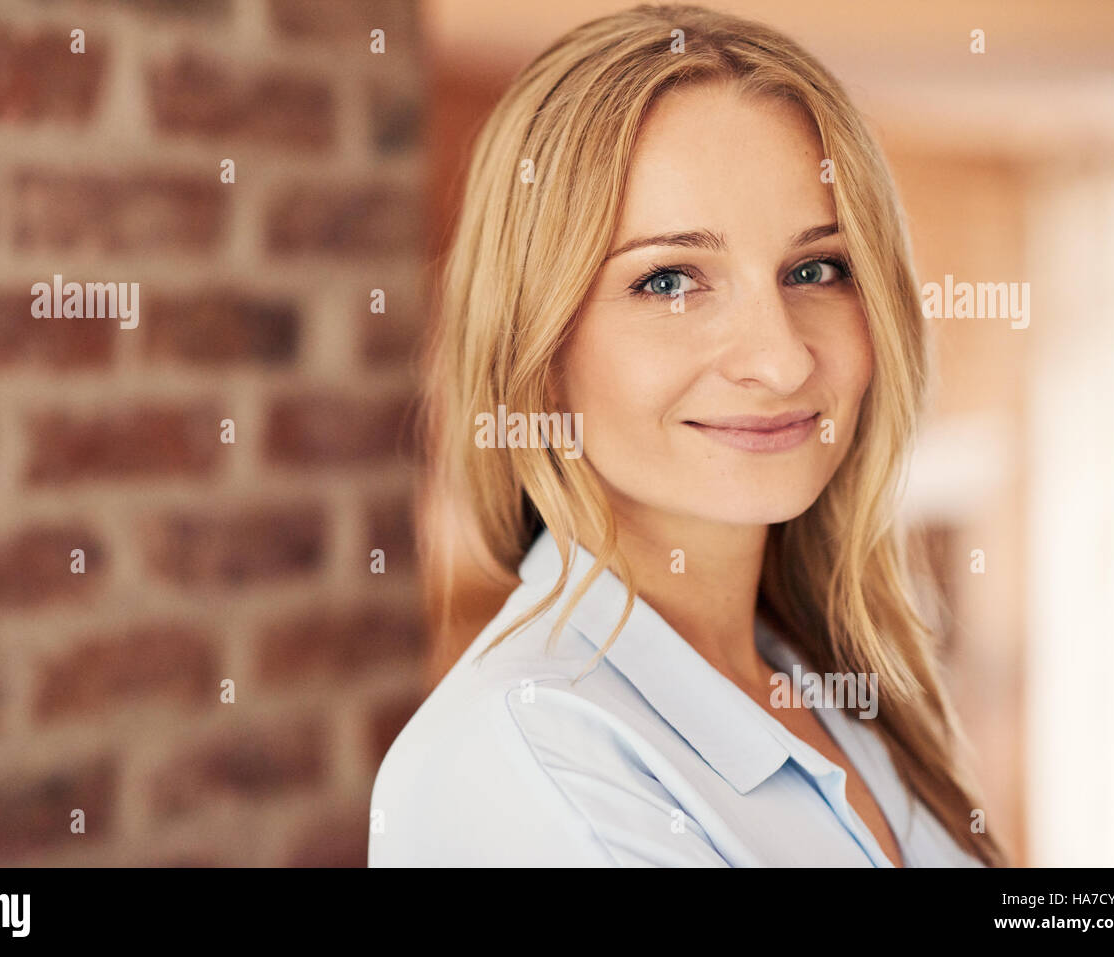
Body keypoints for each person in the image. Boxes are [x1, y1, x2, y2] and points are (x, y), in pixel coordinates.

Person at [368, 2, 1008, 867]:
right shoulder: (527, 761)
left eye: (815, 268)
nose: (781, 361)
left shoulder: (830, 682)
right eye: (670, 280)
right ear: (538, 347)